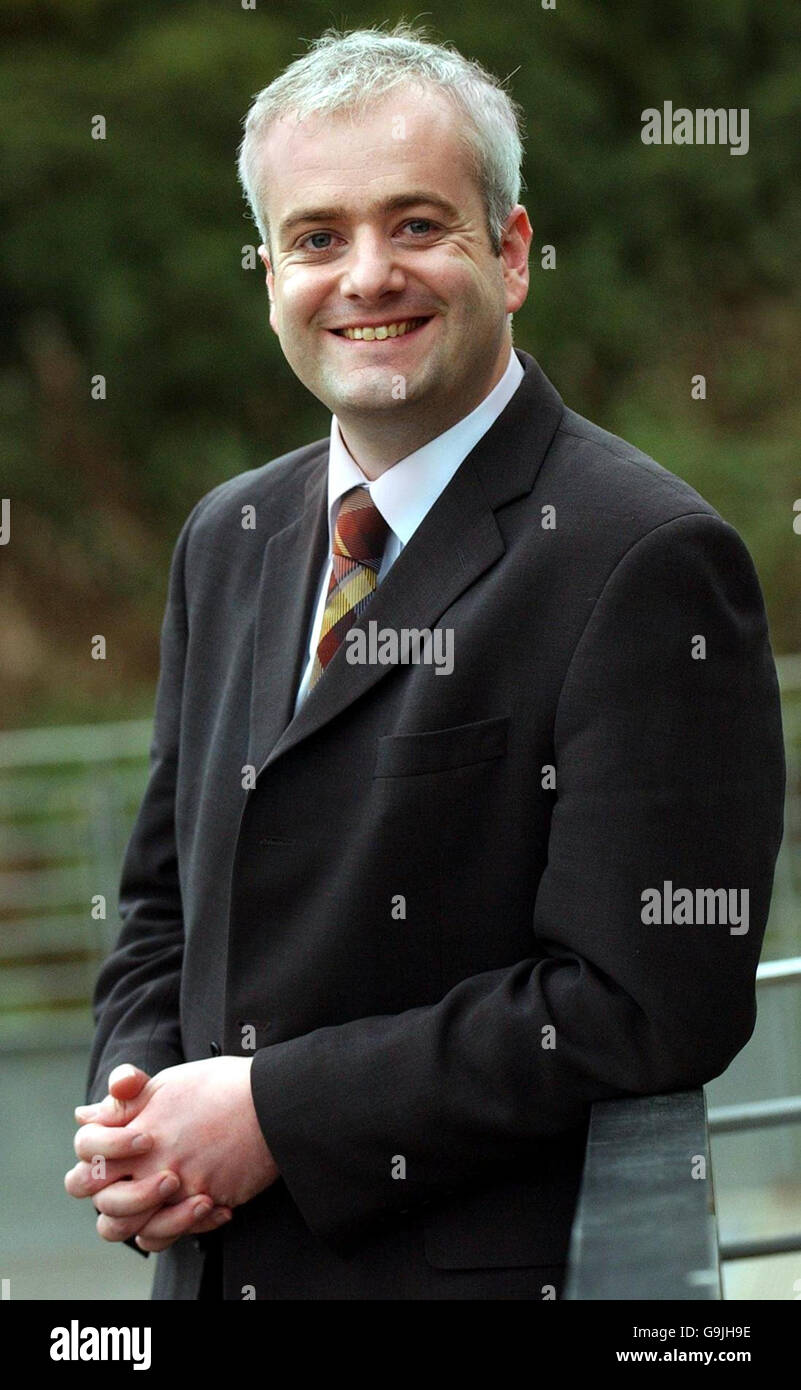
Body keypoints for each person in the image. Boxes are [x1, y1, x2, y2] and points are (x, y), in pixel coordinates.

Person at [65, 23, 786, 1301]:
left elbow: (647, 998)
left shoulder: (646, 555)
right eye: (318, 237)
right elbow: (164, 905)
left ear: (510, 255)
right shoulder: (227, 535)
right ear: (271, 270)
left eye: (417, 225)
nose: (366, 275)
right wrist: (138, 1111)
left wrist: (274, 1114)